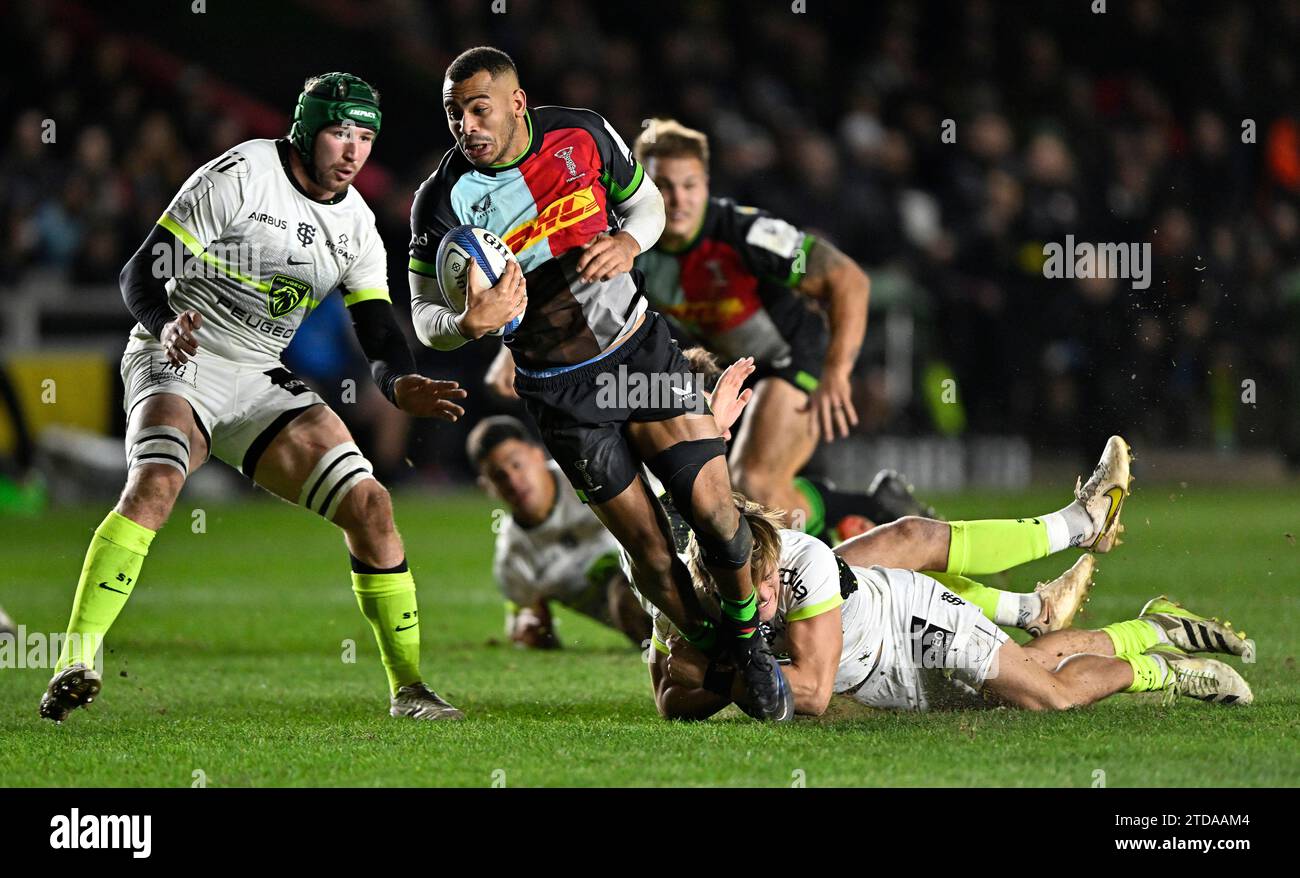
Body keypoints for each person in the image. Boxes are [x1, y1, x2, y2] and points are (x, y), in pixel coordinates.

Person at [41, 73, 468, 724]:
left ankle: (408, 689)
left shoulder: (355, 223)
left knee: (372, 504)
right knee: (157, 480)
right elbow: (141, 273)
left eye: (364, 136)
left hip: (258, 374)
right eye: (338, 132)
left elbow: (378, 330)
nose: (353, 150)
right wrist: (166, 325)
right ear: (305, 131)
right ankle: (76, 657)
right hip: (177, 353)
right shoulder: (241, 174)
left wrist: (400, 380)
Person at [408, 47, 792, 719]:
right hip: (559, 390)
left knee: (715, 514)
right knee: (645, 545)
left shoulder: (581, 135)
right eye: (453, 113)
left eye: (478, 109)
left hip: (637, 353)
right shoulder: (441, 200)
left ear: (516, 103)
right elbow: (422, 317)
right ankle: (723, 657)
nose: (465, 125)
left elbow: (644, 205)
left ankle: (749, 642)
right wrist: (468, 324)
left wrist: (631, 243)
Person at [486, 118, 900, 543]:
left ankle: (859, 524)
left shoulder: (744, 234)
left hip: (789, 360)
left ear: (706, 185)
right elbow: (563, 291)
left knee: (752, 481)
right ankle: (852, 518)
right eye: (663, 185)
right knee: (714, 486)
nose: (678, 200)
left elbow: (848, 279)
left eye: (691, 185)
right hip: (719, 373)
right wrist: (507, 354)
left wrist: (837, 371)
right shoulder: (624, 242)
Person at [648, 438, 1256, 718]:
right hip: (885, 682)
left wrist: (723, 673)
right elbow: (669, 696)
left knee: (1051, 696)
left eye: (771, 581)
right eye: (757, 590)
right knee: (1037, 664)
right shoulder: (688, 597)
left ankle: (1165, 672)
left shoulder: (800, 563)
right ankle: (1152, 626)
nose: (770, 594)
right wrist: (720, 677)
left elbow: (809, 691)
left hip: (911, 624)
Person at [467, 352, 756, 650]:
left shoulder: (585, 471)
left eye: (517, 465)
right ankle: (711, 646)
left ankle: (728, 640)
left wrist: (702, 408)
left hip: (682, 567)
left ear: (537, 455)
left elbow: (667, 441)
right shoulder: (513, 557)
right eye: (499, 476)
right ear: (486, 486)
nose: (514, 481)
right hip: (647, 602)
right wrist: (529, 629)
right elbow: (525, 620)